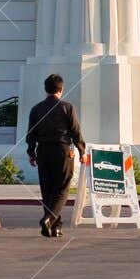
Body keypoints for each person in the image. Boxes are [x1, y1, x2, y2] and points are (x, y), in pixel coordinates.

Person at [25, 73, 86, 238]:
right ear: (61, 89)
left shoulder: (36, 109)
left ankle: (55, 226)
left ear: (45, 89)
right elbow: (75, 131)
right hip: (62, 151)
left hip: (43, 151)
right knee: (62, 187)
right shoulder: (67, 107)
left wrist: (31, 152)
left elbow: (31, 134)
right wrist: (81, 150)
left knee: (48, 188)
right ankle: (49, 218)